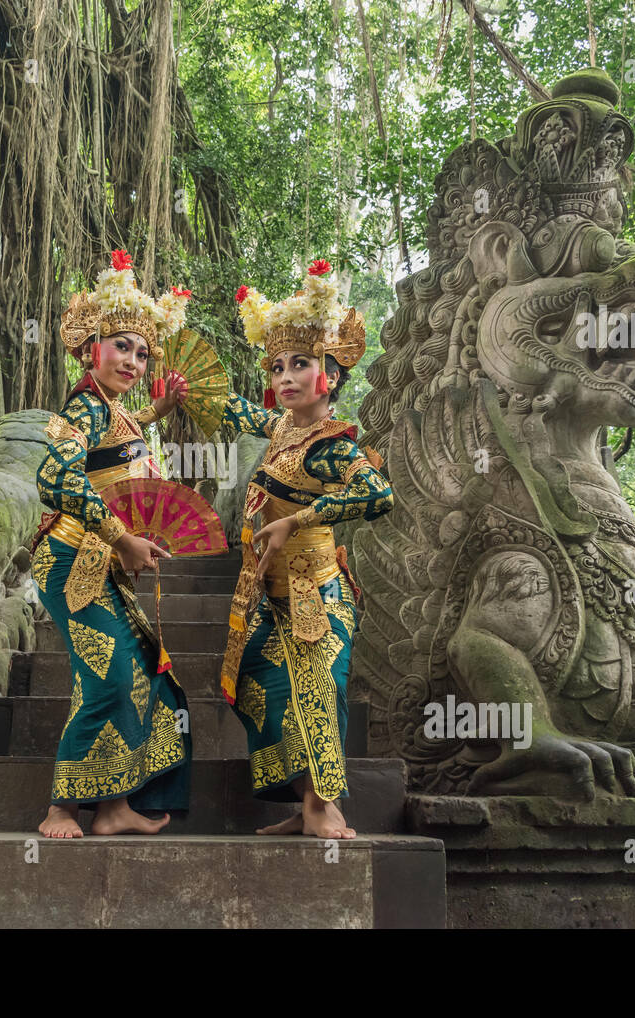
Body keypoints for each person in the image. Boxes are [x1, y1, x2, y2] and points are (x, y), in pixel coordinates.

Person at [217, 259, 394, 840]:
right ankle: (302, 802)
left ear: (332, 377)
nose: (287, 376)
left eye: (303, 364)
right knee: (259, 689)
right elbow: (231, 408)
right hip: (267, 595)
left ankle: (325, 805)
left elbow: (377, 492)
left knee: (318, 686)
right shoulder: (279, 430)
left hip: (318, 591)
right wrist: (178, 392)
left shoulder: (334, 445)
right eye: (279, 366)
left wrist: (302, 517)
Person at [32, 250, 192, 838]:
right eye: (121, 346)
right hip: (72, 558)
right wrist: (122, 535)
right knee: (107, 675)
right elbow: (57, 478)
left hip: (103, 562)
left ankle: (114, 807)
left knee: (140, 675)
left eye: (143, 352)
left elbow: (117, 447)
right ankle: (60, 809)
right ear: (90, 349)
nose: (133, 359)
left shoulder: (113, 410)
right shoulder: (82, 407)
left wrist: (161, 410)